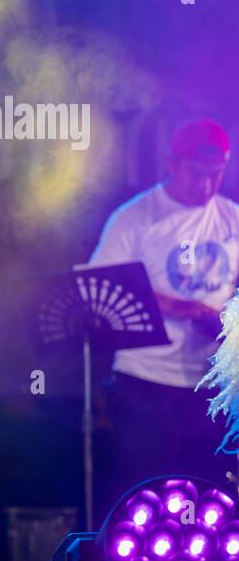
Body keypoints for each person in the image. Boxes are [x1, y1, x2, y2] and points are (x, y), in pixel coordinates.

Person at [90, 117, 239, 520]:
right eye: (196, 174)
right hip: (144, 383)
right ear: (170, 163)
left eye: (216, 174)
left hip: (211, 387)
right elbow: (100, 287)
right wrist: (183, 307)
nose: (206, 186)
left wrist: (224, 320)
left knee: (209, 500)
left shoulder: (232, 218)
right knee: (142, 496)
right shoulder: (135, 217)